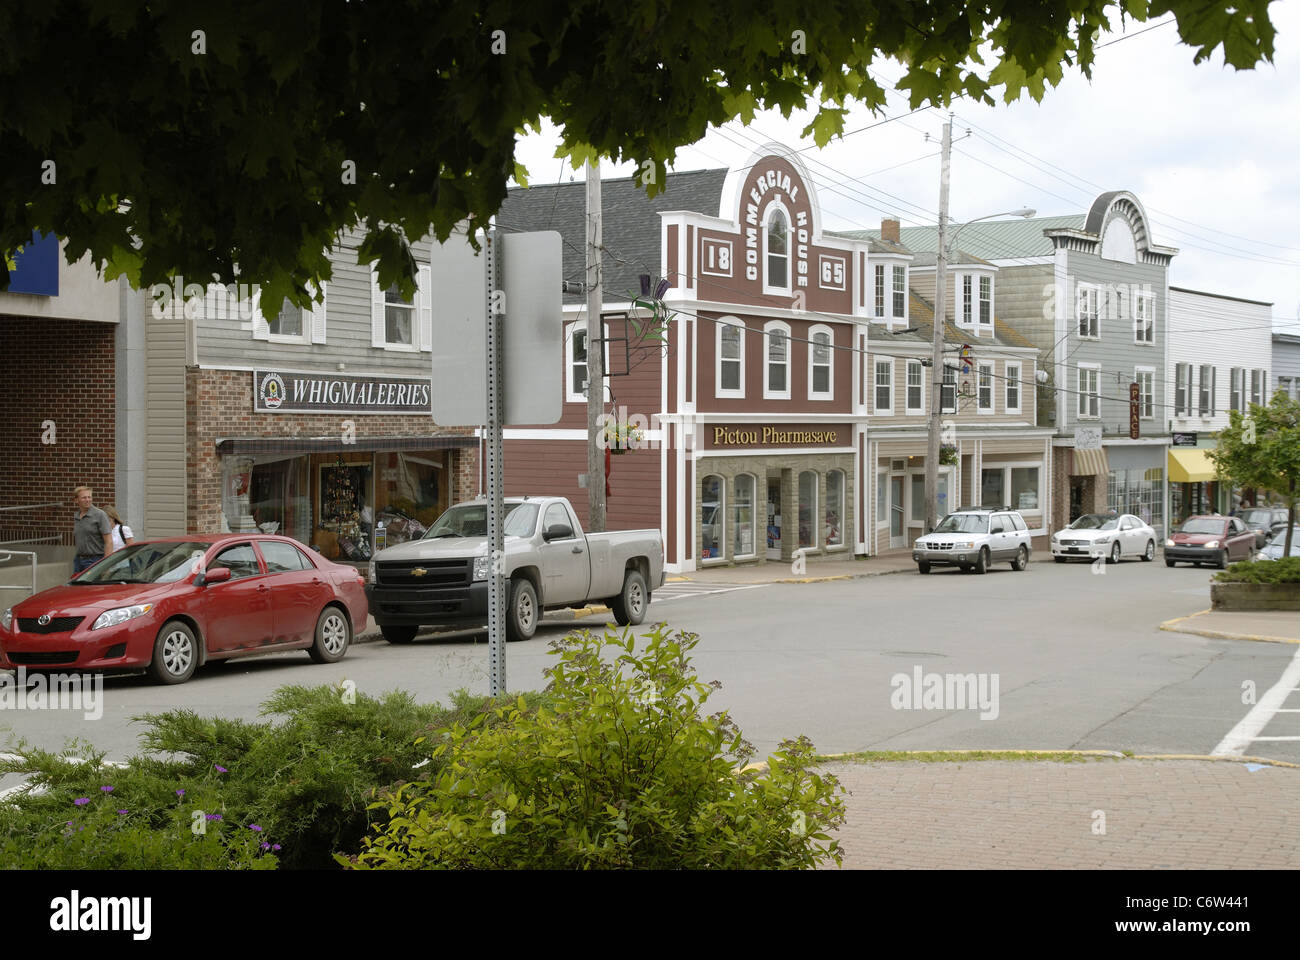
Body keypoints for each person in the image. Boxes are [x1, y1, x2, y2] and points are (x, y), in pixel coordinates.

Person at [72, 486, 113, 574]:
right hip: (78, 560)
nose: (87, 500)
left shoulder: (100, 515)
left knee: (91, 587)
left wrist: (106, 565)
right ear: (76, 500)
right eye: (84, 497)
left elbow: (109, 542)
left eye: (89, 497)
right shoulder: (76, 516)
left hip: (94, 560)